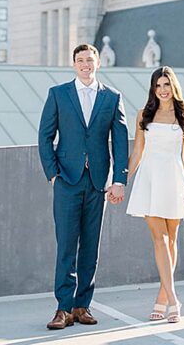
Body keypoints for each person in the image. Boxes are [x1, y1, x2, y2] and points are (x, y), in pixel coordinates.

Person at [37, 42, 129, 330]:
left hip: (97, 182)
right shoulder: (58, 94)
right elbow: (44, 136)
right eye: (80, 60)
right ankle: (63, 309)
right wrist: (53, 174)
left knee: (90, 245)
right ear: (74, 64)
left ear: (98, 63)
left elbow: (121, 141)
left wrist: (119, 180)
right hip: (67, 179)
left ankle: (82, 306)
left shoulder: (112, 97)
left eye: (90, 60)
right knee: (66, 245)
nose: (85, 65)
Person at [125, 65, 184, 324]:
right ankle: (174, 300)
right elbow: (137, 151)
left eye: (167, 84)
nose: (162, 90)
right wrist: (121, 180)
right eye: (158, 85)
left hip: (174, 179)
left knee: (172, 240)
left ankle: (161, 298)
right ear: (153, 88)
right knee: (160, 238)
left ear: (174, 86)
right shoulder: (143, 115)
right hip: (149, 179)